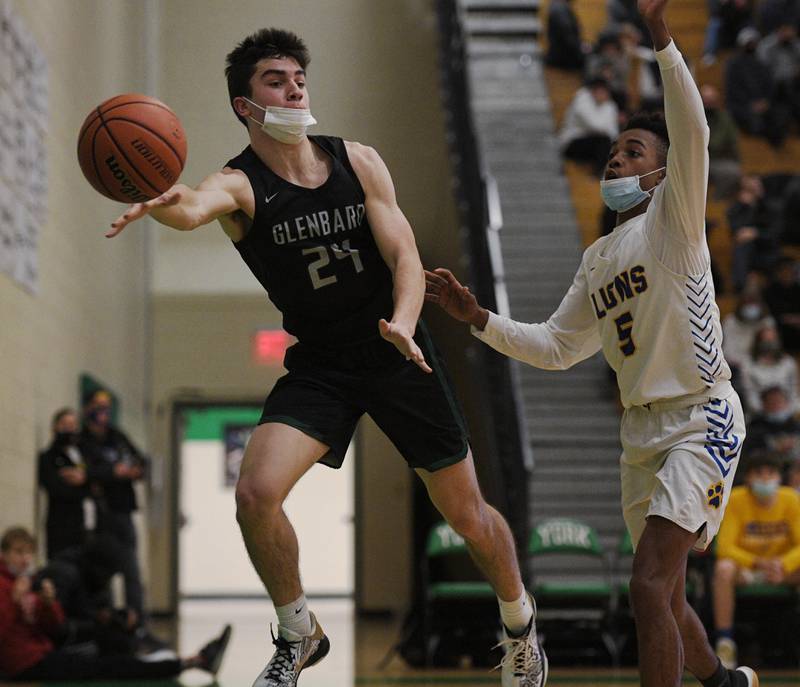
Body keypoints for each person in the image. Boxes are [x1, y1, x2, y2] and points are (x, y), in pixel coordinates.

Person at [105, 27, 546, 687]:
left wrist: (401, 322)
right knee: (255, 491)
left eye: (298, 78)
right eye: (274, 81)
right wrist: (163, 193)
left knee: (467, 513)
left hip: (398, 352)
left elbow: (404, 255)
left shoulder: (358, 160)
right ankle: (298, 629)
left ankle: (519, 625)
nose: (293, 87)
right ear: (243, 104)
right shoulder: (239, 184)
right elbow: (195, 207)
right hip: (322, 364)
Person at [425, 1, 757, 685]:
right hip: (640, 431)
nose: (616, 157)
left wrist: (661, 39)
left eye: (632, 151)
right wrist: (478, 317)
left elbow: (690, 129)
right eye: (613, 151)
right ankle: (724, 682)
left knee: (646, 583)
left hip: (701, 416)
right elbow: (555, 346)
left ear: (664, 174)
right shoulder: (600, 255)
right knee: (661, 591)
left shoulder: (674, 220)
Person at [0, 526, 232, 681]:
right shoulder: (10, 586)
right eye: (19, 552)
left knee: (120, 648)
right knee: (109, 664)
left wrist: (48, 603)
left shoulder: (28, 582)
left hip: (42, 652)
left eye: (29, 552)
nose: (26, 559)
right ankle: (191, 662)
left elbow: (51, 624)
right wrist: (14, 599)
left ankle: (189, 661)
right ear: (4, 554)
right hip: (26, 662)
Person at [712, 451, 800, 669]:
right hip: (747, 570)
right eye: (759, 474)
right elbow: (724, 547)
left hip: (783, 570)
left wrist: (783, 564)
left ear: (779, 478)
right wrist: (757, 563)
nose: (765, 479)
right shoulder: (735, 499)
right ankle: (725, 643)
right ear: (748, 478)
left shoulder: (790, 499)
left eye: (771, 473)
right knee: (723, 569)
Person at [78, 389, 149, 636]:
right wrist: (112, 473)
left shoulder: (117, 437)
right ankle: (107, 625)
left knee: (132, 572)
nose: (103, 412)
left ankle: (137, 625)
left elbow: (141, 460)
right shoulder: (82, 441)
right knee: (103, 571)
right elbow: (85, 473)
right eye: (98, 406)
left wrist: (133, 470)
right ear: (88, 409)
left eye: (106, 407)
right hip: (101, 514)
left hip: (124, 511)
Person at [38, 407, 94, 559]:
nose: (69, 430)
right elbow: (55, 488)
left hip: (88, 525)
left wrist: (83, 480)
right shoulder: (48, 457)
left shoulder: (83, 455)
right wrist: (84, 487)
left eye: (73, 425)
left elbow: (96, 484)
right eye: (65, 425)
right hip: (62, 528)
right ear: (55, 427)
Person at [559, 77, 619, 176]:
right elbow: (594, 125)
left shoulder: (610, 106)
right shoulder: (581, 99)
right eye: (600, 92)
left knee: (610, 144)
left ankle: (602, 174)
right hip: (573, 142)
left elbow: (613, 132)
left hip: (595, 144)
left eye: (605, 92)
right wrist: (605, 129)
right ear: (593, 91)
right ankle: (598, 175)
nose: (603, 95)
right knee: (603, 141)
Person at [739, 324, 799, 416]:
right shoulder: (747, 364)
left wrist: (786, 411)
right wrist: (764, 411)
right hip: (759, 414)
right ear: (758, 342)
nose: (769, 344)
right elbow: (749, 393)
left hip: (787, 412)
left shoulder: (788, 362)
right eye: (766, 340)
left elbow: (793, 392)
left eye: (772, 340)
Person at [701, 85, 741, 200]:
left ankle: (716, 203)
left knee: (732, 171)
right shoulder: (692, 119)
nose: (708, 105)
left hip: (717, 160)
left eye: (711, 101)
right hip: (696, 160)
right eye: (706, 101)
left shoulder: (725, 119)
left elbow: (727, 143)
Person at [746, 386, 800, 469]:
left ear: (787, 403)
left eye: (779, 401)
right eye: (771, 401)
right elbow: (749, 451)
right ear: (763, 404)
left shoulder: (795, 424)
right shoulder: (754, 425)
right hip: (765, 469)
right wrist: (773, 447)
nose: (776, 405)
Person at [545, 0, 587, 70]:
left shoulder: (560, 7)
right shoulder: (559, 8)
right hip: (562, 56)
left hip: (564, 53)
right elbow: (566, 34)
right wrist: (580, 48)